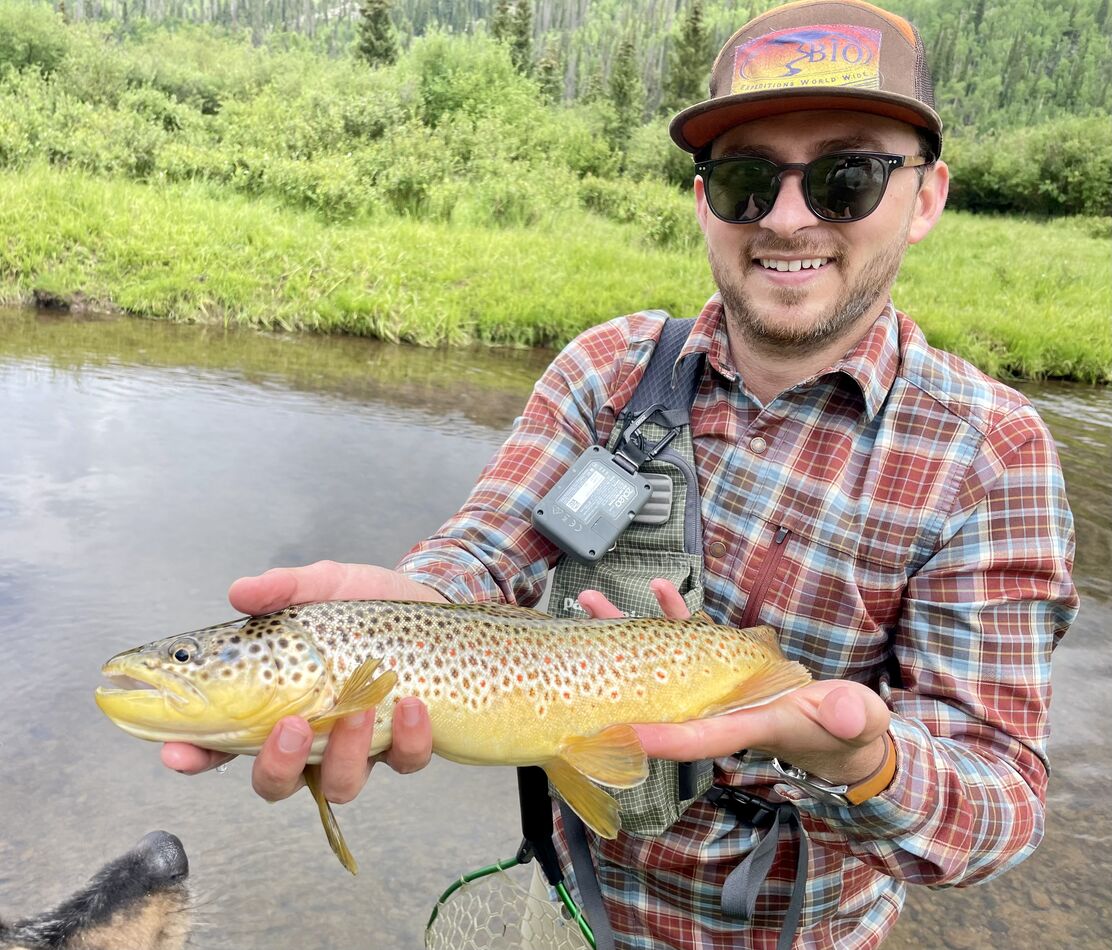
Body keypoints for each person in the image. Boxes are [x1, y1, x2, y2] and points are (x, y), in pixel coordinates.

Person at [161, 1, 1078, 946]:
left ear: (925, 198)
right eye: (746, 179)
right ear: (703, 201)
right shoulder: (608, 371)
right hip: (577, 911)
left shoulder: (992, 455)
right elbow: (483, 555)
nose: (789, 216)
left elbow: (1000, 807)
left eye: (848, 179)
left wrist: (865, 758)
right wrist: (401, 610)